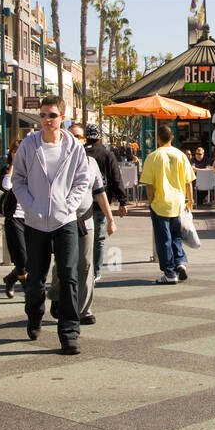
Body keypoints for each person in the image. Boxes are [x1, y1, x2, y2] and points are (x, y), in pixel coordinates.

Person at [11, 95, 92, 353]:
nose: (47, 120)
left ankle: (69, 332)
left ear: (63, 118)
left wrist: (68, 205)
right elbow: (18, 180)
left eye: (52, 115)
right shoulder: (29, 145)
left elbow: (82, 180)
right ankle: (34, 315)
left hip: (65, 220)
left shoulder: (74, 147)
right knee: (36, 278)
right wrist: (31, 205)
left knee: (68, 275)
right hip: (35, 222)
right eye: (43, 115)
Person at [49, 124, 117, 329]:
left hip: (86, 219)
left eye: (79, 136)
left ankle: (84, 309)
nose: (76, 139)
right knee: (64, 264)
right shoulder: (57, 161)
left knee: (86, 264)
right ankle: (56, 295)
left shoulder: (91, 163)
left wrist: (110, 218)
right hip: (62, 220)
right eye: (72, 136)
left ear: (84, 140)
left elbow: (99, 192)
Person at [141, 124, 194, 284]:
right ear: (172, 138)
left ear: (157, 138)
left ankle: (169, 272)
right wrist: (190, 200)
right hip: (177, 202)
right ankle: (180, 262)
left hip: (160, 202)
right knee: (176, 235)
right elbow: (188, 181)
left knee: (163, 238)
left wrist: (151, 202)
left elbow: (149, 185)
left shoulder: (152, 157)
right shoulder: (181, 155)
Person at [83, 122, 126, 283]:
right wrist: (122, 201)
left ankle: (84, 267)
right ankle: (96, 270)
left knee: (84, 236)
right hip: (102, 201)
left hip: (82, 203)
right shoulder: (107, 155)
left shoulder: (80, 152)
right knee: (99, 238)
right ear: (99, 137)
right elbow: (116, 178)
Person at [0, 137, 28, 299]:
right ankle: (28, 291)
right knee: (22, 258)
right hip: (14, 218)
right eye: (15, 151)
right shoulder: (7, 170)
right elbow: (6, 186)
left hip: (31, 218)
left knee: (30, 259)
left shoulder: (32, 167)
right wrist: (13, 166)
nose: (18, 154)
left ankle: (10, 279)